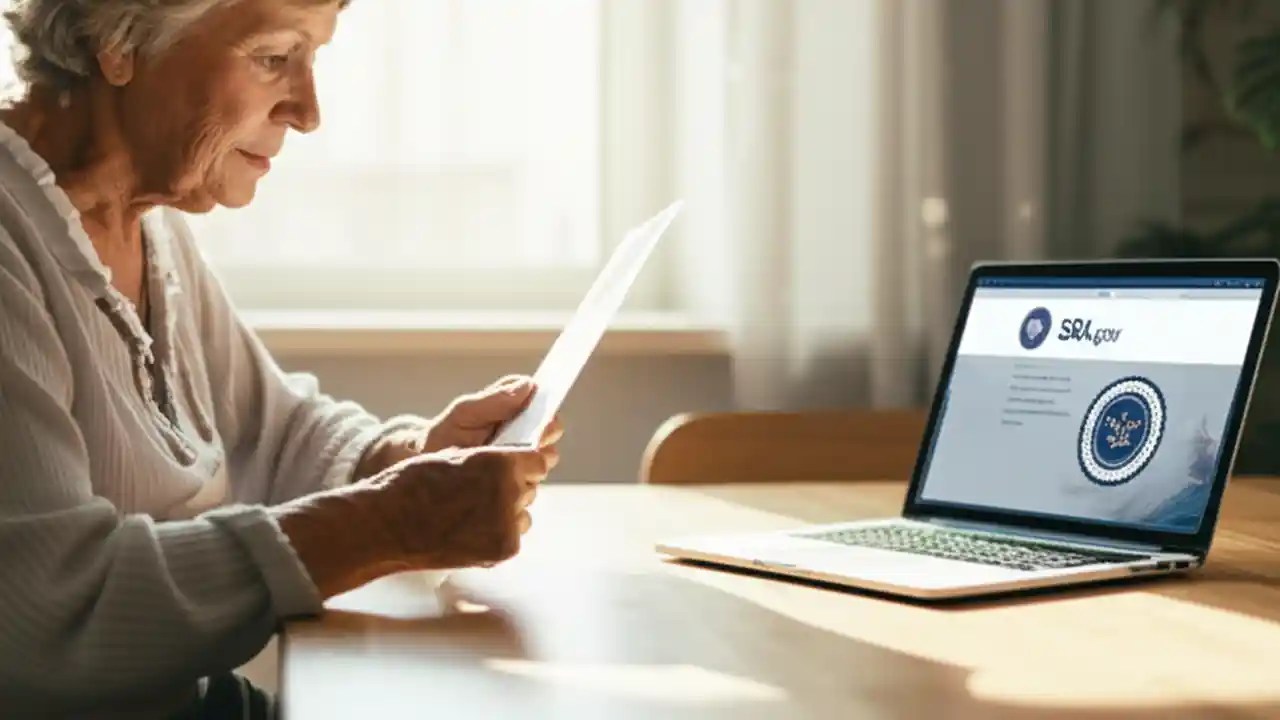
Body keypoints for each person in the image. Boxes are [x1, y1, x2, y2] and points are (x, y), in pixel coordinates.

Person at [0, 0, 562, 716]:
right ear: (118, 40)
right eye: (272, 59)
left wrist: (408, 457)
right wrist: (386, 524)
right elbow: (47, 617)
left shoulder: (144, 221)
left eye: (312, 60)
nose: (308, 111)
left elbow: (272, 435)